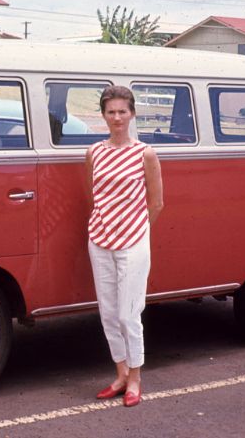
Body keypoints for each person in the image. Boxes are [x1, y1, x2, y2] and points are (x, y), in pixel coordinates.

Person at [85, 85, 164, 408]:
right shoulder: (94, 152)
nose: (116, 118)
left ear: (132, 114)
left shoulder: (145, 153)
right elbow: (92, 194)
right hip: (99, 239)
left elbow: (156, 203)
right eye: (110, 112)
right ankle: (119, 373)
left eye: (122, 111)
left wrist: (134, 229)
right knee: (108, 312)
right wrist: (104, 225)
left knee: (129, 313)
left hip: (133, 241)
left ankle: (135, 378)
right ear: (103, 115)